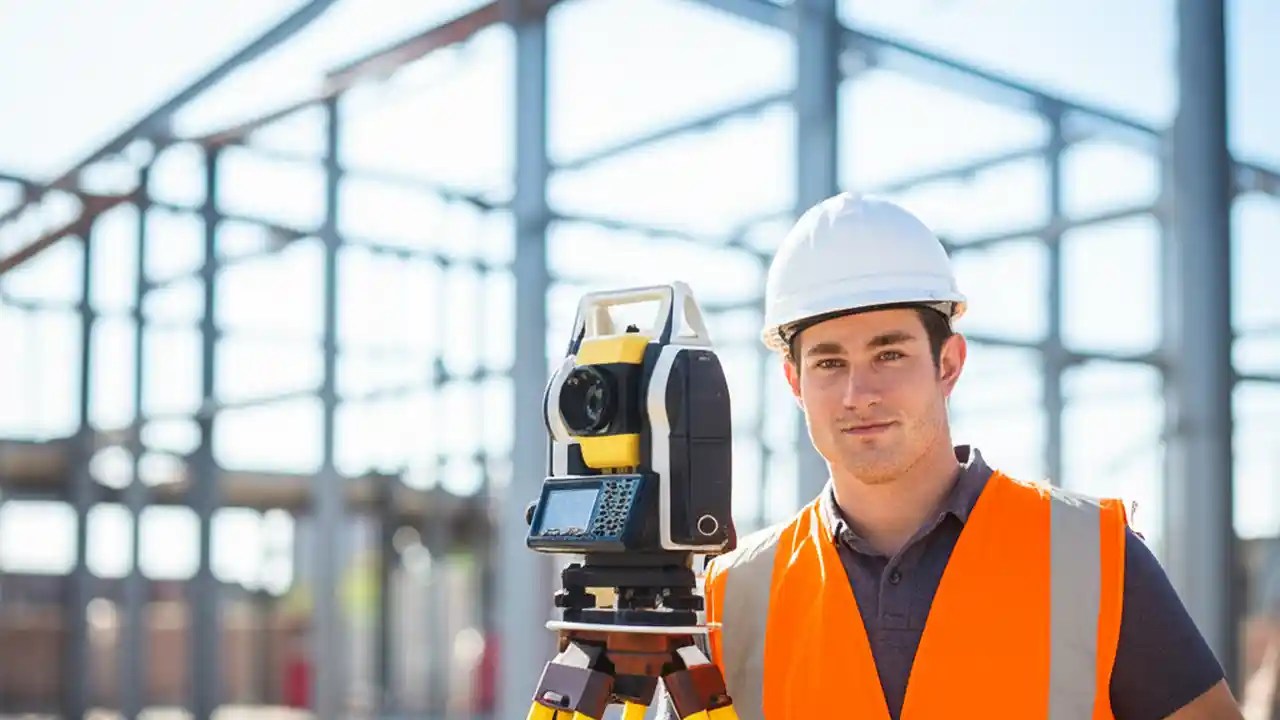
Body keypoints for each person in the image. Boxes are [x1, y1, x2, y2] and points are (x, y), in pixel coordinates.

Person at [658, 193, 1241, 719]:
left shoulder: (1094, 555)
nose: (859, 395)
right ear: (794, 382)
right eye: (829, 363)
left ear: (948, 364)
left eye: (889, 355)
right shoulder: (732, 593)